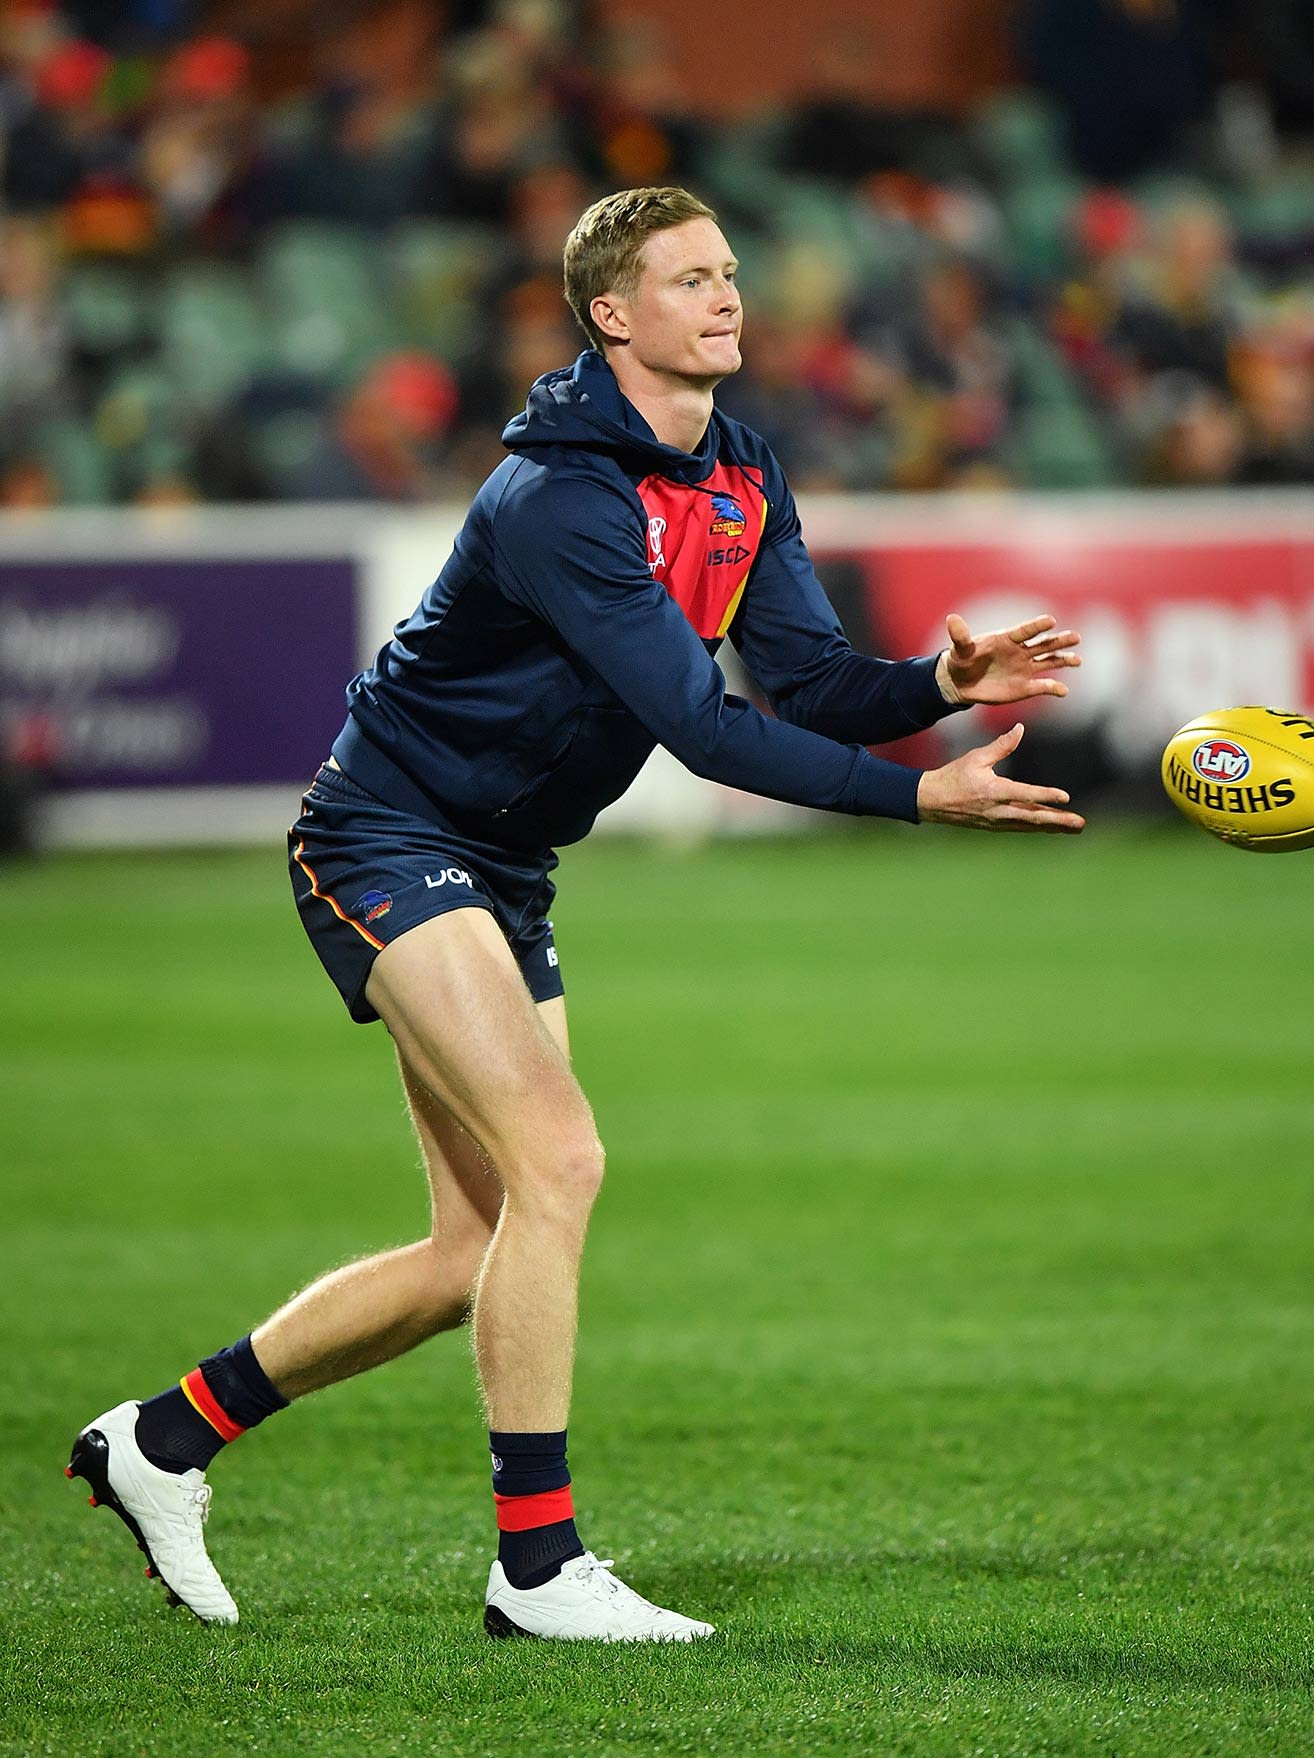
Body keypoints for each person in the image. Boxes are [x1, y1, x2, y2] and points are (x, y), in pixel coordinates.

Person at [67, 186, 1084, 1642]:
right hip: (386, 830)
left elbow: (798, 682)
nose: (727, 297)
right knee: (563, 1157)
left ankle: (160, 1441)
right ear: (613, 314)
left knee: (474, 1247)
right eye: (688, 280)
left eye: (731, 271)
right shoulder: (561, 499)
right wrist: (922, 802)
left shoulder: (740, 465)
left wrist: (932, 687)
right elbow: (704, 731)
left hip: (506, 862)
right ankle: (537, 1569)